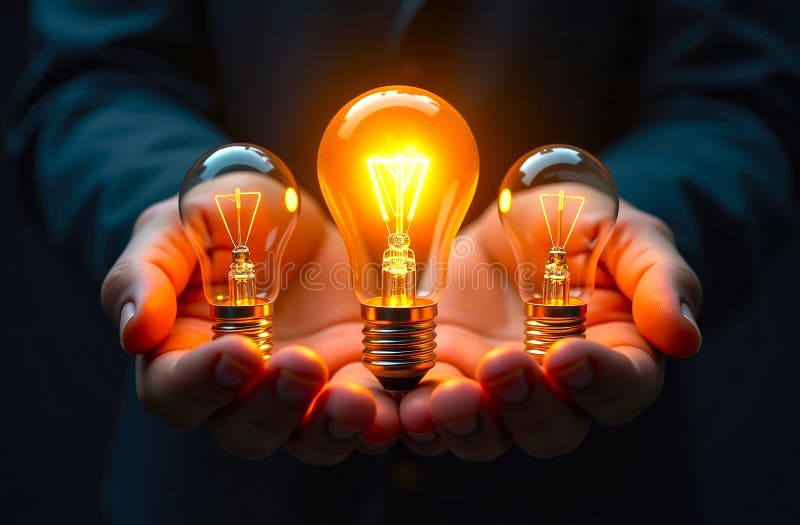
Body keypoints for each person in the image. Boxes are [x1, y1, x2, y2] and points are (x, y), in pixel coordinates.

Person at [6, 1, 797, 523]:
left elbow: (733, 96)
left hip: (587, 490)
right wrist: (204, 228)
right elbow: (95, 77)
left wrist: (617, 234)